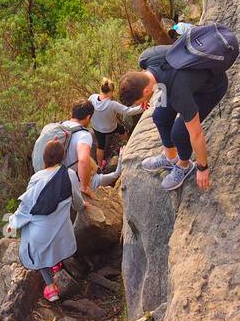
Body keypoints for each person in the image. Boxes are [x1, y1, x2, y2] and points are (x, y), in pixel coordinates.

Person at [118, 25, 235, 193]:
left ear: (146, 91)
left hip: (209, 88)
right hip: (178, 82)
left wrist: (203, 167)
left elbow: (196, 134)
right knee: (159, 117)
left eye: (139, 101)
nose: (140, 104)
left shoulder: (179, 94)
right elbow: (157, 71)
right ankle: (170, 157)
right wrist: (144, 97)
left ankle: (185, 165)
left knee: (180, 133)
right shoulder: (147, 58)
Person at [9, 140, 82, 303]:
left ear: (44, 157)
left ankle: (51, 287)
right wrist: (84, 206)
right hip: (63, 236)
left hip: (41, 238)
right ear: (63, 156)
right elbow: (78, 203)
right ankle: (56, 264)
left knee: (32, 236)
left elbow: (26, 208)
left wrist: (11, 223)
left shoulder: (37, 178)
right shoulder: (70, 175)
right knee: (55, 229)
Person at [88, 78, 142, 168]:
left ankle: (100, 166)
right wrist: (142, 107)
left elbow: (87, 108)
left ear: (101, 89)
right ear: (111, 92)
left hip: (96, 127)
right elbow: (128, 111)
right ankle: (129, 144)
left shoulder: (92, 98)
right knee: (121, 129)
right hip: (110, 128)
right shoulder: (112, 104)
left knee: (100, 145)